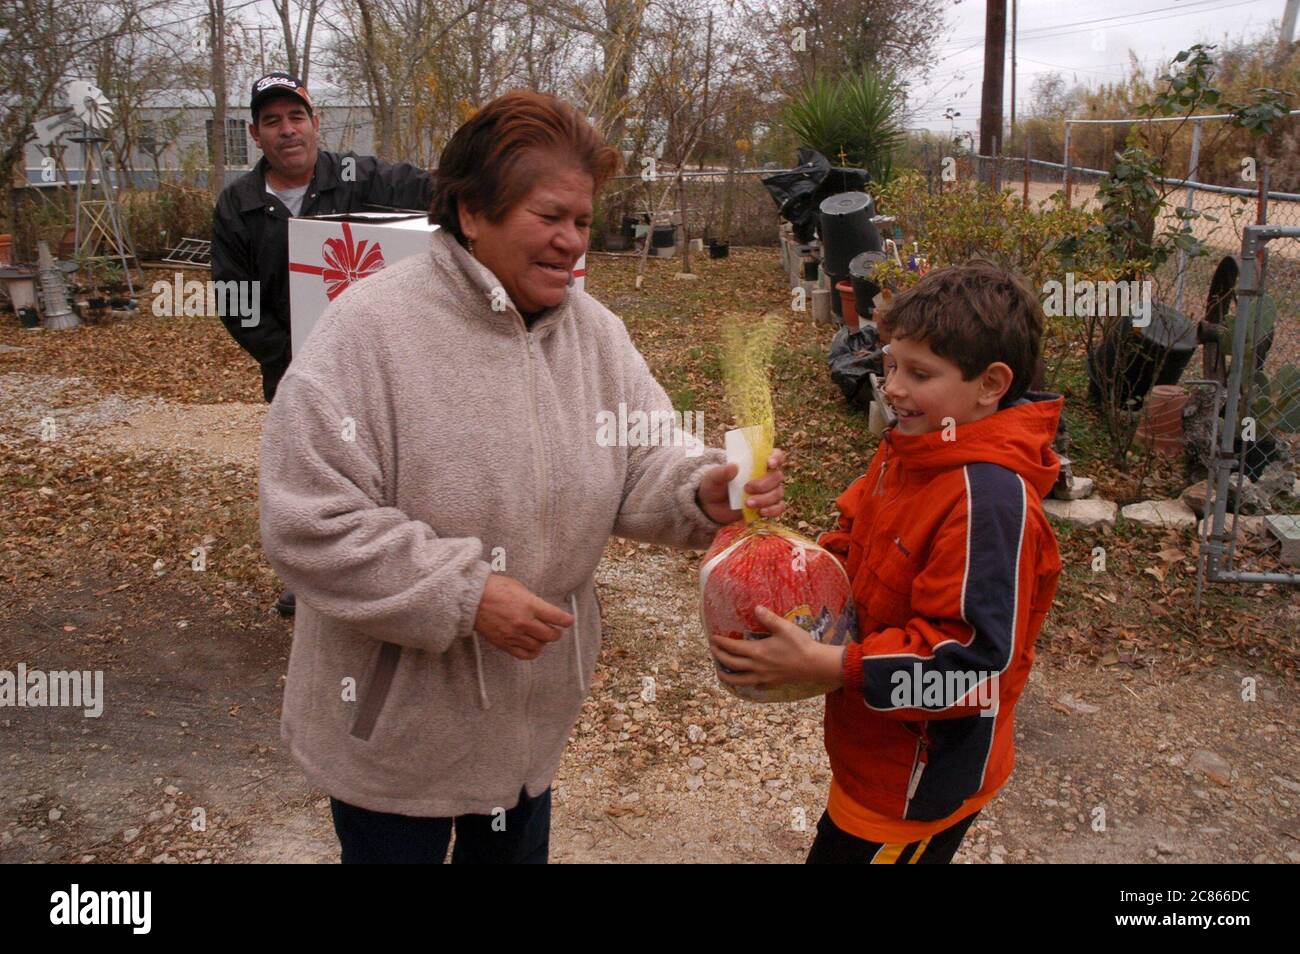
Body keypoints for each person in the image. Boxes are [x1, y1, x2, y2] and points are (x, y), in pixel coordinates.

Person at [257, 90, 789, 864]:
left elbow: (642, 454)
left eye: (582, 221)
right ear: (472, 211)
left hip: (527, 726)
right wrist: (465, 594)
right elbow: (309, 523)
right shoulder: (367, 333)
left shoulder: (595, 334)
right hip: (393, 728)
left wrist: (700, 489)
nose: (573, 243)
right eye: (550, 217)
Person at [710, 262, 1063, 864]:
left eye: (919, 373)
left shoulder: (988, 502)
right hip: (874, 752)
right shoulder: (910, 450)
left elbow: (970, 666)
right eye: (891, 364)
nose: (892, 387)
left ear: (990, 383)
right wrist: (787, 560)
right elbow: (854, 539)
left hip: (917, 782)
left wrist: (833, 665)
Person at [212, 71, 434, 617]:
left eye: (296, 117)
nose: (286, 130)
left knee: (391, 467)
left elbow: (438, 190)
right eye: (272, 121)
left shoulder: (362, 177)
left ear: (316, 123)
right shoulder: (238, 204)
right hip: (296, 372)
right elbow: (238, 302)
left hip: (382, 366)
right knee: (314, 480)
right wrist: (294, 363)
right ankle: (315, 582)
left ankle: (402, 573)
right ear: (255, 134)